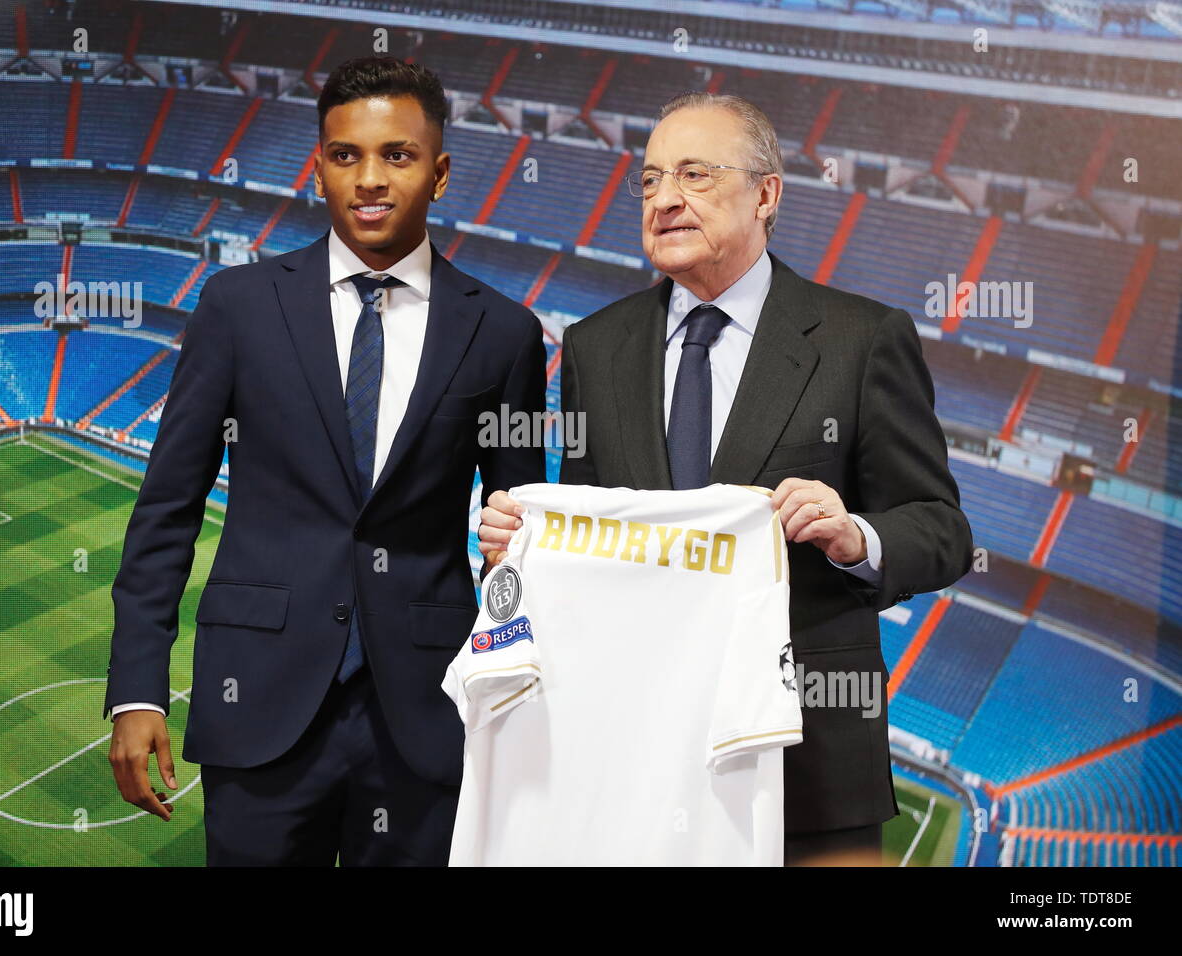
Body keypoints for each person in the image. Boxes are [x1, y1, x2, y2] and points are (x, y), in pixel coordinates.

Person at [478, 91, 973, 866]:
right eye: (648, 181)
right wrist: (518, 547)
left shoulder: (862, 339)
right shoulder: (595, 348)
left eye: (695, 174)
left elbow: (942, 529)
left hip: (809, 766)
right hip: (634, 760)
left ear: (766, 193)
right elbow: (586, 543)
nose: (664, 199)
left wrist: (855, 536)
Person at [104, 55, 546, 865]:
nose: (370, 178)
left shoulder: (505, 333)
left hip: (425, 716)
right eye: (346, 155)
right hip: (259, 704)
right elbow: (165, 508)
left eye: (398, 155)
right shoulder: (238, 307)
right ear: (319, 168)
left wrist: (518, 687)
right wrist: (137, 686)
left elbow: (527, 539)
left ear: (440, 173)